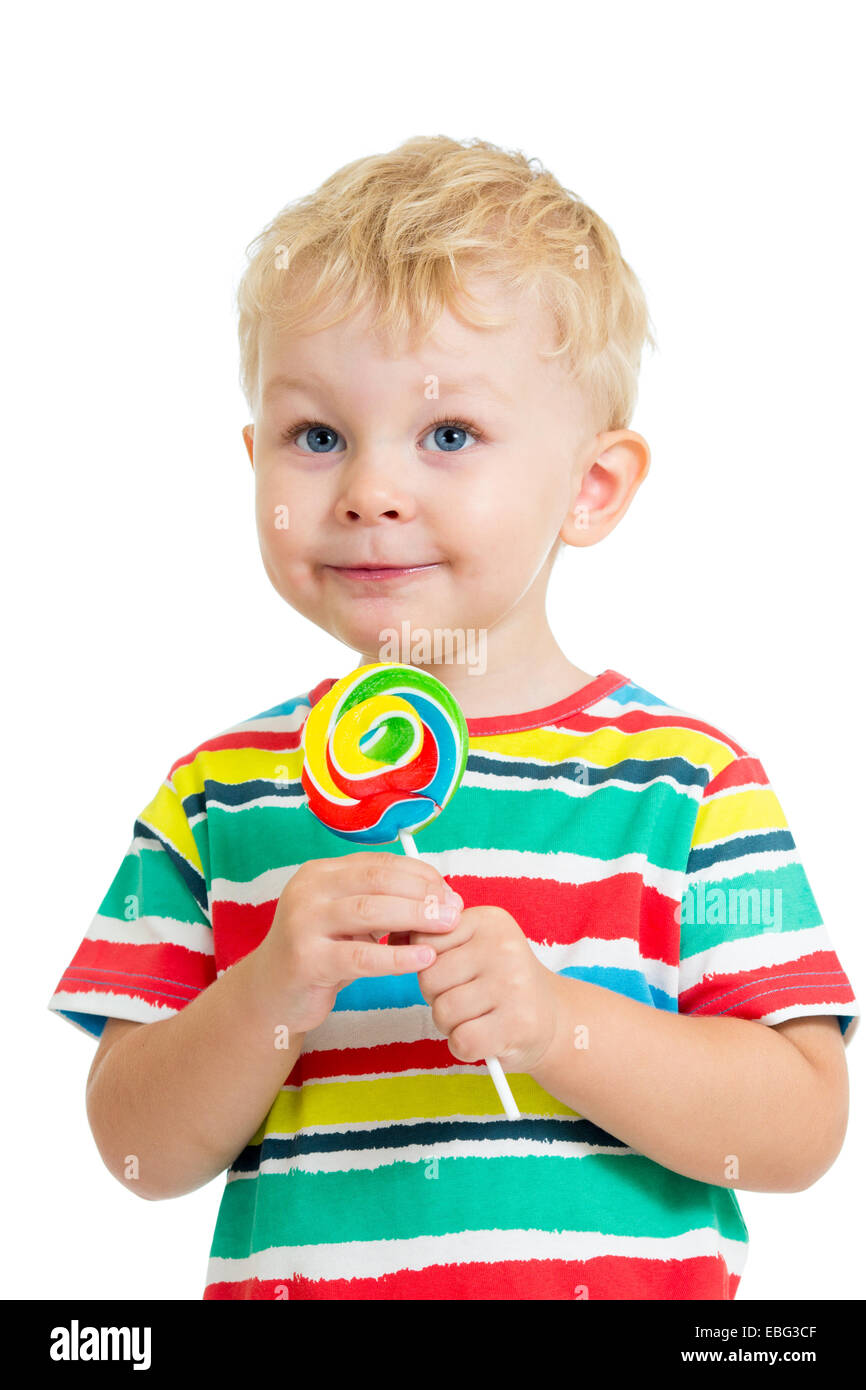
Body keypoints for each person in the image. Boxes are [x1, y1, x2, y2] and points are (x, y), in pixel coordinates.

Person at [46, 134, 859, 1300]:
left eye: (447, 435)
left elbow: (799, 1129)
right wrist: (265, 993)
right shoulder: (219, 795)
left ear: (591, 487)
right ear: (253, 461)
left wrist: (557, 1023)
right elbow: (134, 1151)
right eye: (316, 437)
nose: (370, 489)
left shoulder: (687, 784)